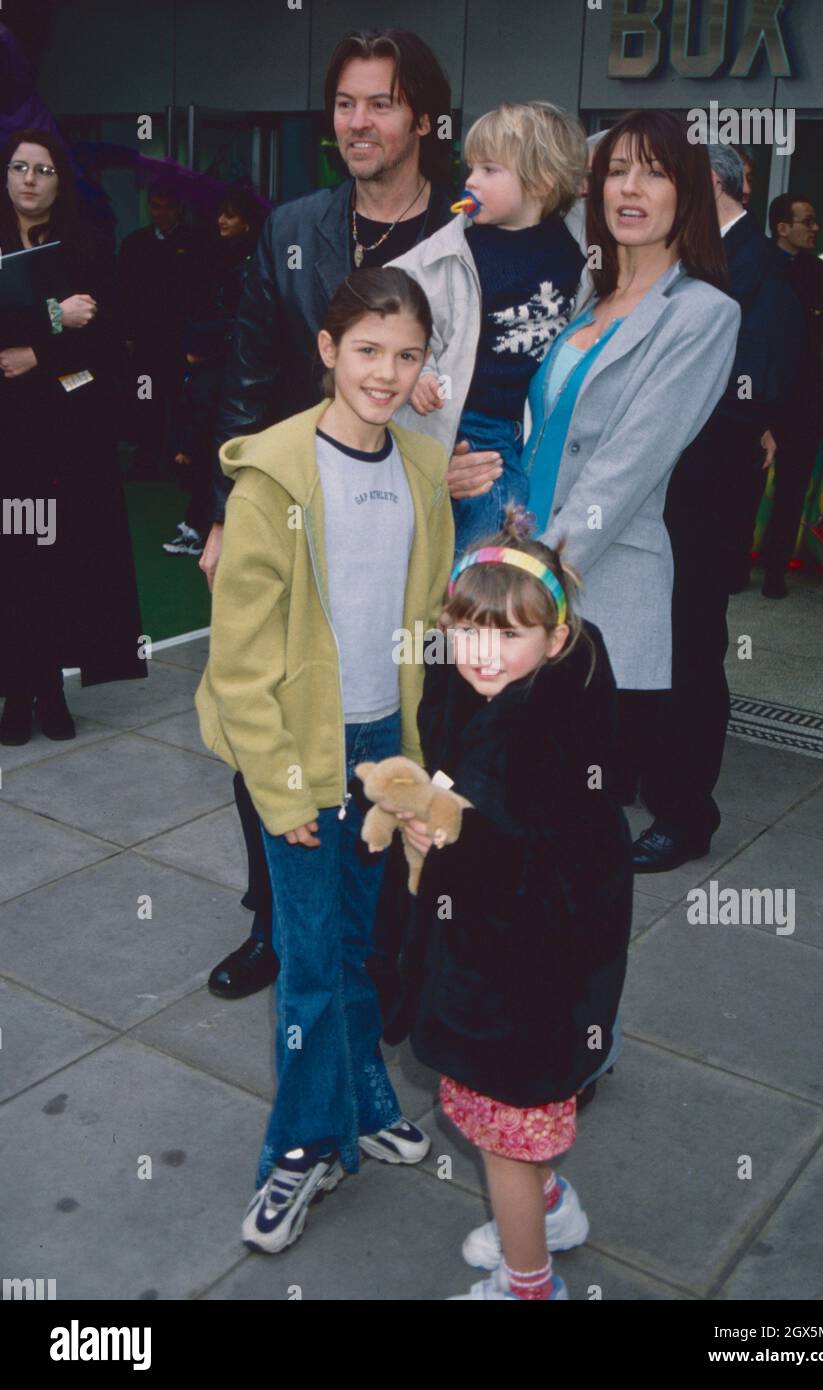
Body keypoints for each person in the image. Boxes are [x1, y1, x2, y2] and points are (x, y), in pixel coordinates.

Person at [195, 267, 454, 1253]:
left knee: (359, 940)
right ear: (326, 351)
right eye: (366, 351)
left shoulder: (422, 471)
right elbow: (240, 657)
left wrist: (418, 764)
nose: (385, 374)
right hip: (297, 751)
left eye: (405, 355)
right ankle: (300, 1150)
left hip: (385, 743)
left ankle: (366, 1093)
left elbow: (422, 621)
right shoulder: (272, 477)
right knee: (306, 961)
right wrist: (277, 782)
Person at [202, 27, 463, 1003]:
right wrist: (232, 512)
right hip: (301, 523)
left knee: (400, 738)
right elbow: (249, 379)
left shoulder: (464, 237)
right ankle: (275, 924)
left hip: (411, 535)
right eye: (346, 103)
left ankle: (386, 942)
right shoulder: (292, 228)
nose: (357, 121)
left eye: (380, 103)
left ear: (422, 119)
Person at [398, 508, 632, 1300]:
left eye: (508, 636)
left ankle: (528, 1280)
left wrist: (437, 849)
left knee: (504, 1139)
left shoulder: (523, 745)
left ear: (555, 639)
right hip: (542, 984)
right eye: (468, 632)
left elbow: (513, 873)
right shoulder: (541, 703)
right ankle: (550, 1207)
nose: (482, 655)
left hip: (514, 994)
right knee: (509, 1128)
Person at [519, 109, 740, 799]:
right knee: (511, 802)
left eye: (653, 172)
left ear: (689, 194)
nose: (629, 188)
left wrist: (538, 579)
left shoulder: (702, 314)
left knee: (576, 812)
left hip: (594, 588)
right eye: (616, 171)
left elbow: (627, 465)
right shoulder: (585, 296)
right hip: (519, 564)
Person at [631, 144, 806, 872]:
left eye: (669, 175)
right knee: (648, 641)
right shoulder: (681, 257)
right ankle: (644, 776)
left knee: (691, 650)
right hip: (651, 491)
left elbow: (757, 382)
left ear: (712, 186)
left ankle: (684, 816)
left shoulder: (760, 269)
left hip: (702, 498)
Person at [388, 101, 589, 554]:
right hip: (476, 418)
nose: (471, 180)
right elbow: (409, 328)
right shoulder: (451, 254)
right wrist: (421, 371)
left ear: (541, 182)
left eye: (490, 169)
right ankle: (478, 605)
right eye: (471, 167)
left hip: (536, 421)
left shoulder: (576, 244)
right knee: (503, 515)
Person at [0, 128, 145, 746]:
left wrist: (36, 347)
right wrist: (58, 318)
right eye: (18, 168)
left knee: (61, 564)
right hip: (8, 440)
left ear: (61, 182)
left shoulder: (86, 247)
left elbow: (106, 337)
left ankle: (51, 690)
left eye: (43, 170)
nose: (29, 179)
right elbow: (68, 321)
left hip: (67, 434)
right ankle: (15, 692)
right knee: (13, 565)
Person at [163, 188, 265, 557]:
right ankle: (202, 524)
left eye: (231, 215)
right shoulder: (216, 256)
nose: (222, 220)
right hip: (217, 361)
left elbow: (244, 322)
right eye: (220, 213)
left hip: (234, 367)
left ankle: (204, 526)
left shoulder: (254, 262)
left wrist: (206, 345)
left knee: (219, 447)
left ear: (248, 222)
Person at [759, 192, 823, 598]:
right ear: (782, 228)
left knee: (794, 485)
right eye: (806, 221)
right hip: (758, 392)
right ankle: (735, 565)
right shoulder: (758, 266)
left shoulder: (822, 273)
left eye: (814, 220)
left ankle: (776, 570)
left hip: (805, 392)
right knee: (746, 481)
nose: (815, 229)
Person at [117, 180, 207, 479]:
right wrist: (128, 335)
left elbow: (201, 295)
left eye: (167, 206)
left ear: (178, 208)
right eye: (156, 206)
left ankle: (182, 464)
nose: (161, 213)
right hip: (146, 342)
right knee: (146, 400)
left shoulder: (196, 244)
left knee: (183, 402)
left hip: (182, 339)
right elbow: (125, 294)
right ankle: (146, 461)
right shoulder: (134, 245)